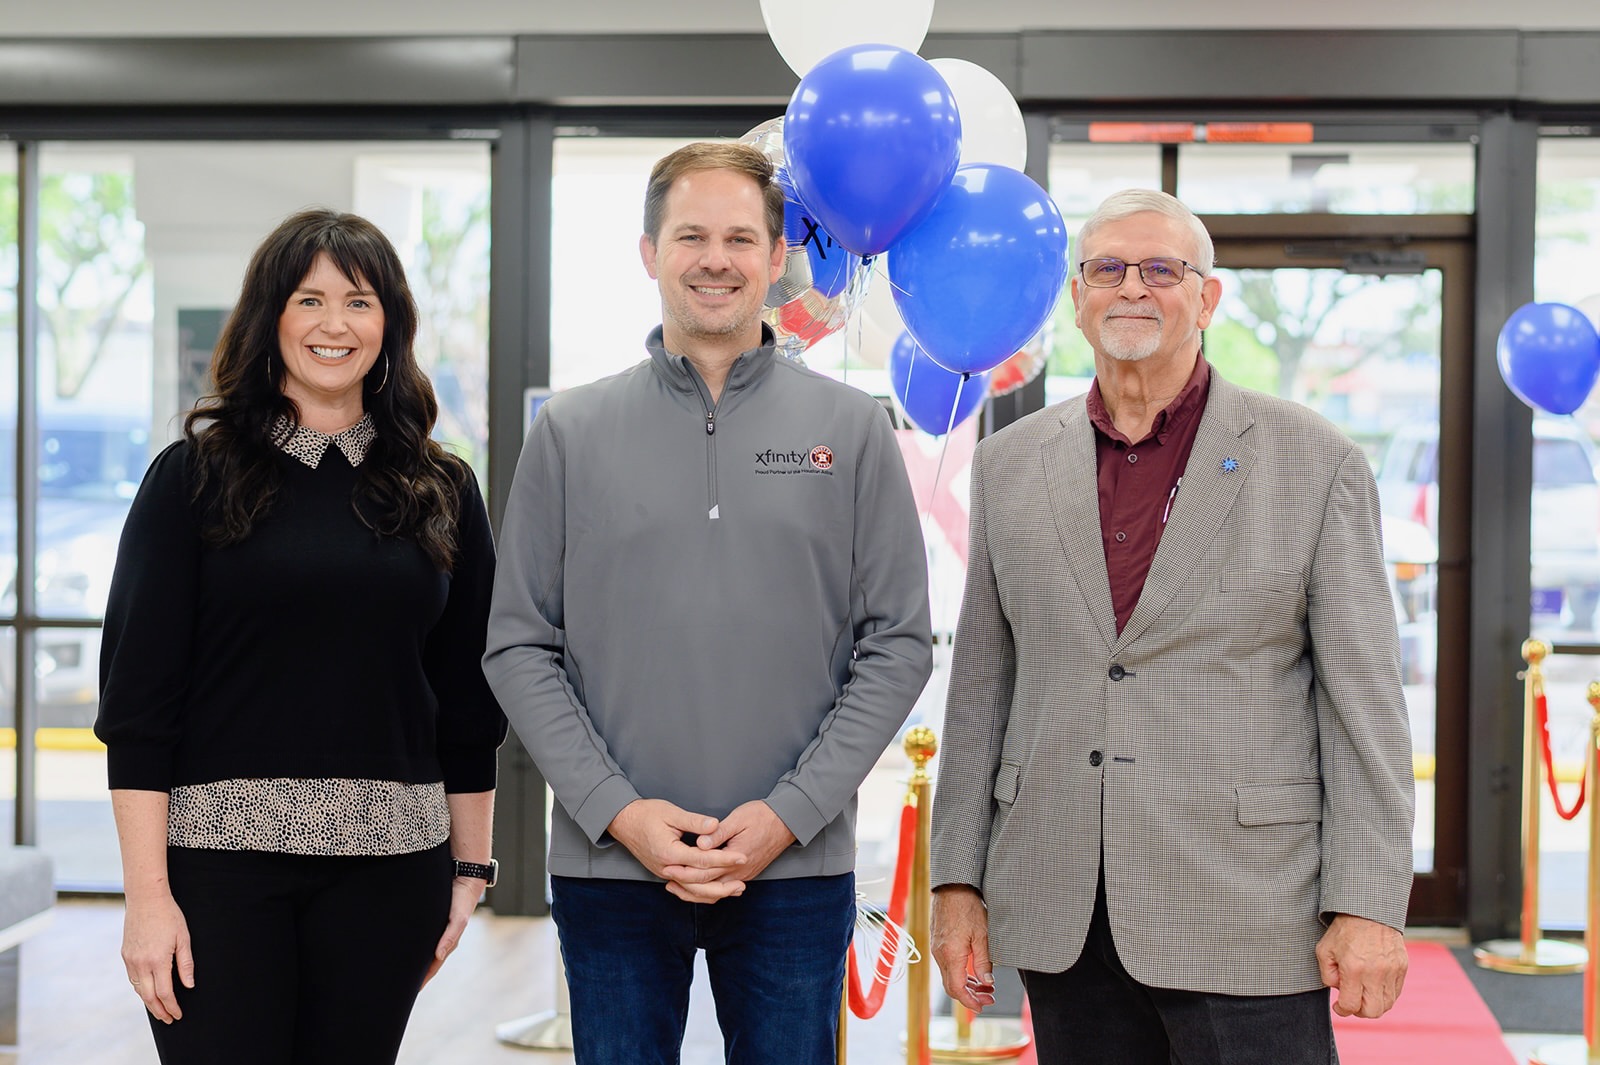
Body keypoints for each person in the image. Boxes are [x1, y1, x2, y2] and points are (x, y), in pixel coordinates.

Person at [928, 189, 1415, 1064]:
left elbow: (1365, 707)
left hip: (1248, 905)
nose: (1133, 289)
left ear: (1208, 297)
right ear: (1077, 296)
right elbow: (982, 690)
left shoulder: (1314, 459)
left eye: (1162, 269)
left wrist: (1371, 901)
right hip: (1063, 903)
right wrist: (958, 879)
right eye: (1108, 269)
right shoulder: (1008, 466)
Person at [482, 141, 933, 1064]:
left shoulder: (852, 429)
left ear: (776, 258)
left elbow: (898, 645)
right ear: (650, 252)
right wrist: (617, 810)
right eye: (691, 235)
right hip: (612, 863)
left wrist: (790, 812)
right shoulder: (570, 430)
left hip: (795, 867)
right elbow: (518, 646)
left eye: (740, 237)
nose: (715, 259)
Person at [95, 208, 508, 1065]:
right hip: (216, 873)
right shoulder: (192, 478)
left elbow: (467, 700)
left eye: (358, 302)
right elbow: (137, 708)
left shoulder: (442, 488)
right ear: (270, 318)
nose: (333, 324)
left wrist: (471, 872)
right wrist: (146, 898)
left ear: (388, 323)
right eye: (308, 299)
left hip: (392, 873)